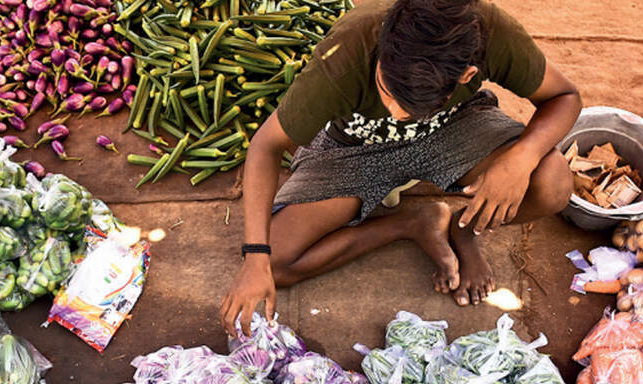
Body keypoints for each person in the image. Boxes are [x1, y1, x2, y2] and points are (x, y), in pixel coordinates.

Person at [220, 0, 581, 336]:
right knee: (275, 261)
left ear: (467, 75)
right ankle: (412, 223)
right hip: (356, 147)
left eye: (407, 105)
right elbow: (266, 145)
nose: (393, 112)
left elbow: (565, 97)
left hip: (451, 130)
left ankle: (464, 228)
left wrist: (522, 159)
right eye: (384, 89)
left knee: (551, 183)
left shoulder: (489, 33)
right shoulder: (348, 51)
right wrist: (255, 257)